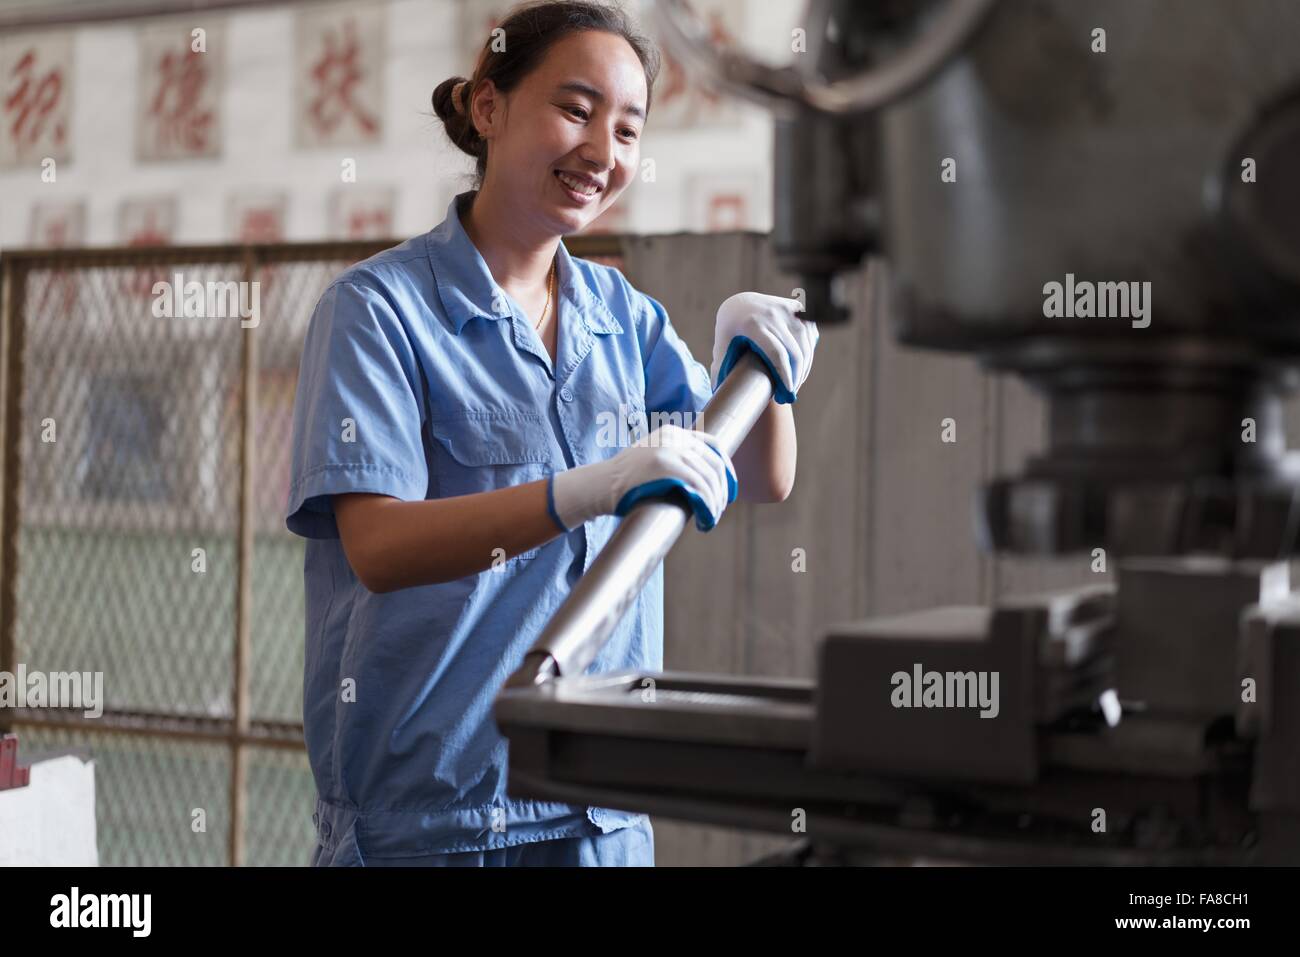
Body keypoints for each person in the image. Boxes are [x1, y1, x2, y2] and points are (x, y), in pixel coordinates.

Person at [285, 0, 818, 867]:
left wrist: (759, 366)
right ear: (488, 108)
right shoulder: (379, 313)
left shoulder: (623, 317)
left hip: (597, 815)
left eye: (629, 130)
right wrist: (581, 491)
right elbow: (378, 544)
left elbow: (763, 477)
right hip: (433, 828)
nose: (602, 154)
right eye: (575, 110)